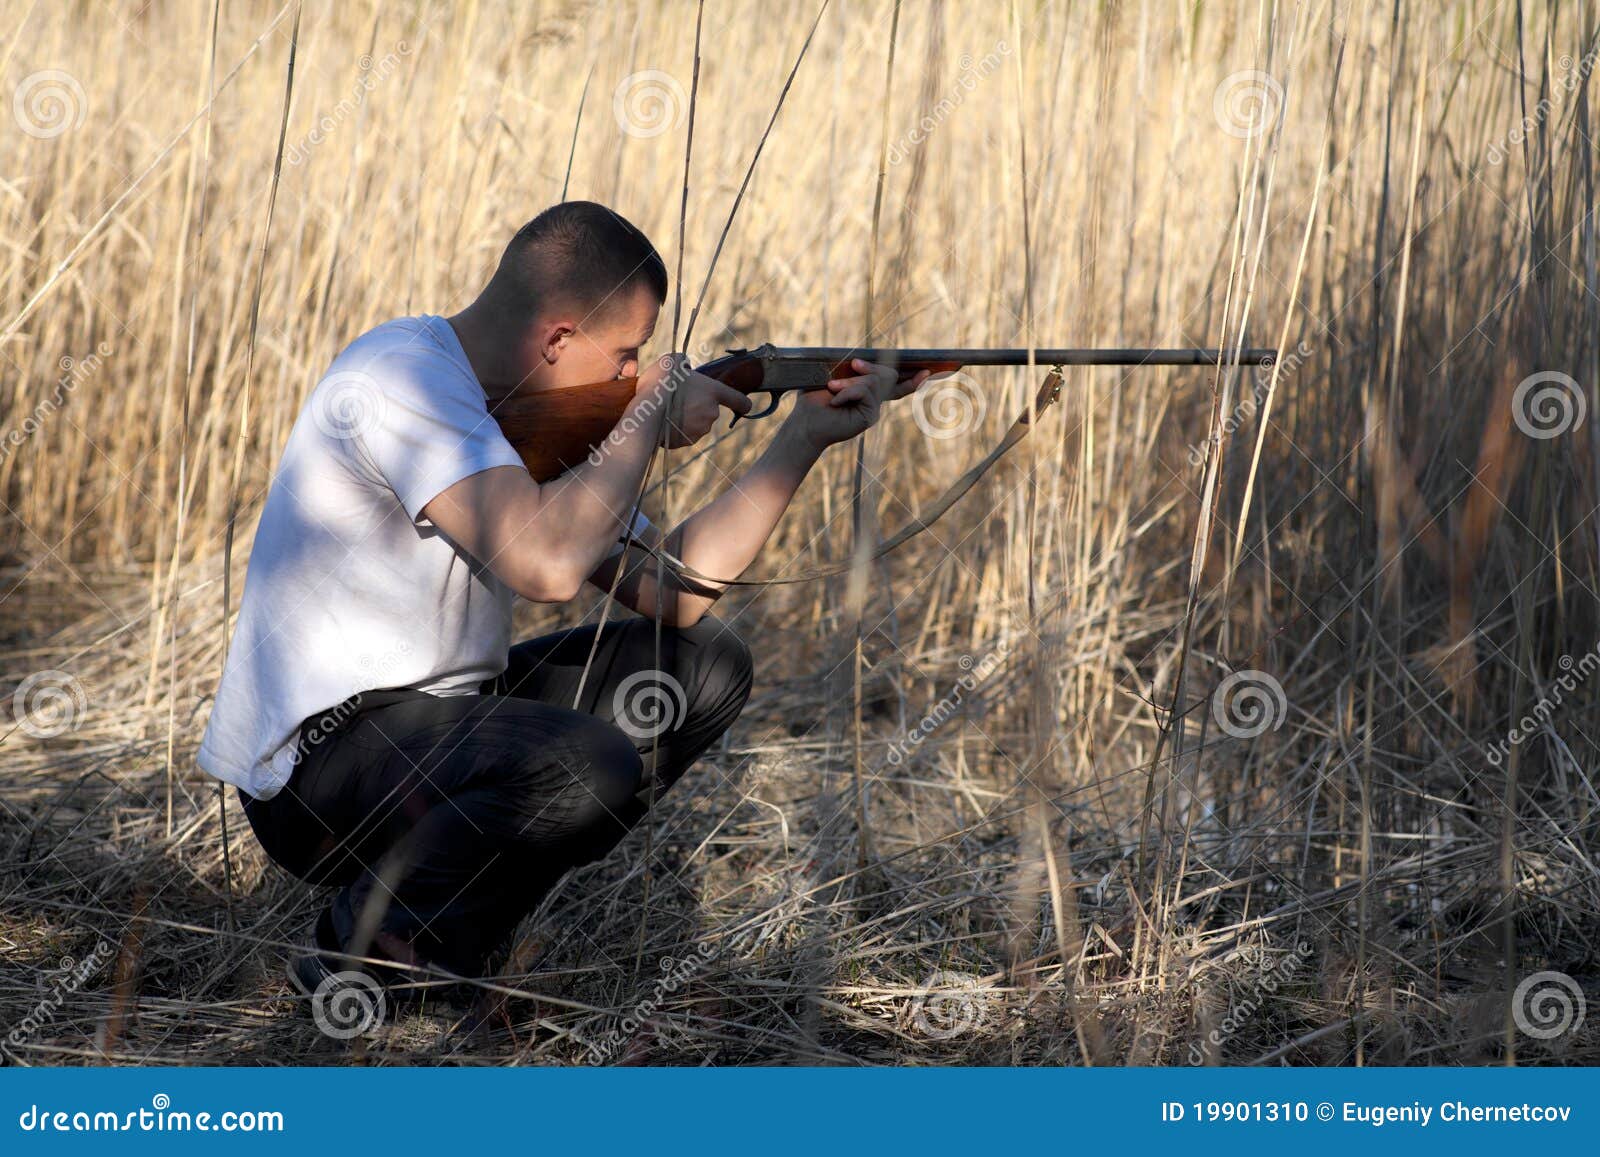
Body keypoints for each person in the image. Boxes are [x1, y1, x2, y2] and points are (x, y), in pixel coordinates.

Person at [195, 200, 928, 999]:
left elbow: (672, 592)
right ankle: (358, 952)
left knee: (705, 664)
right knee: (585, 763)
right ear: (556, 339)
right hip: (321, 773)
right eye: (626, 355)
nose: (629, 375)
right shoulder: (398, 379)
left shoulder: (524, 415)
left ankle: (449, 946)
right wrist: (645, 416)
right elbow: (545, 565)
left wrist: (801, 439)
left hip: (437, 732)